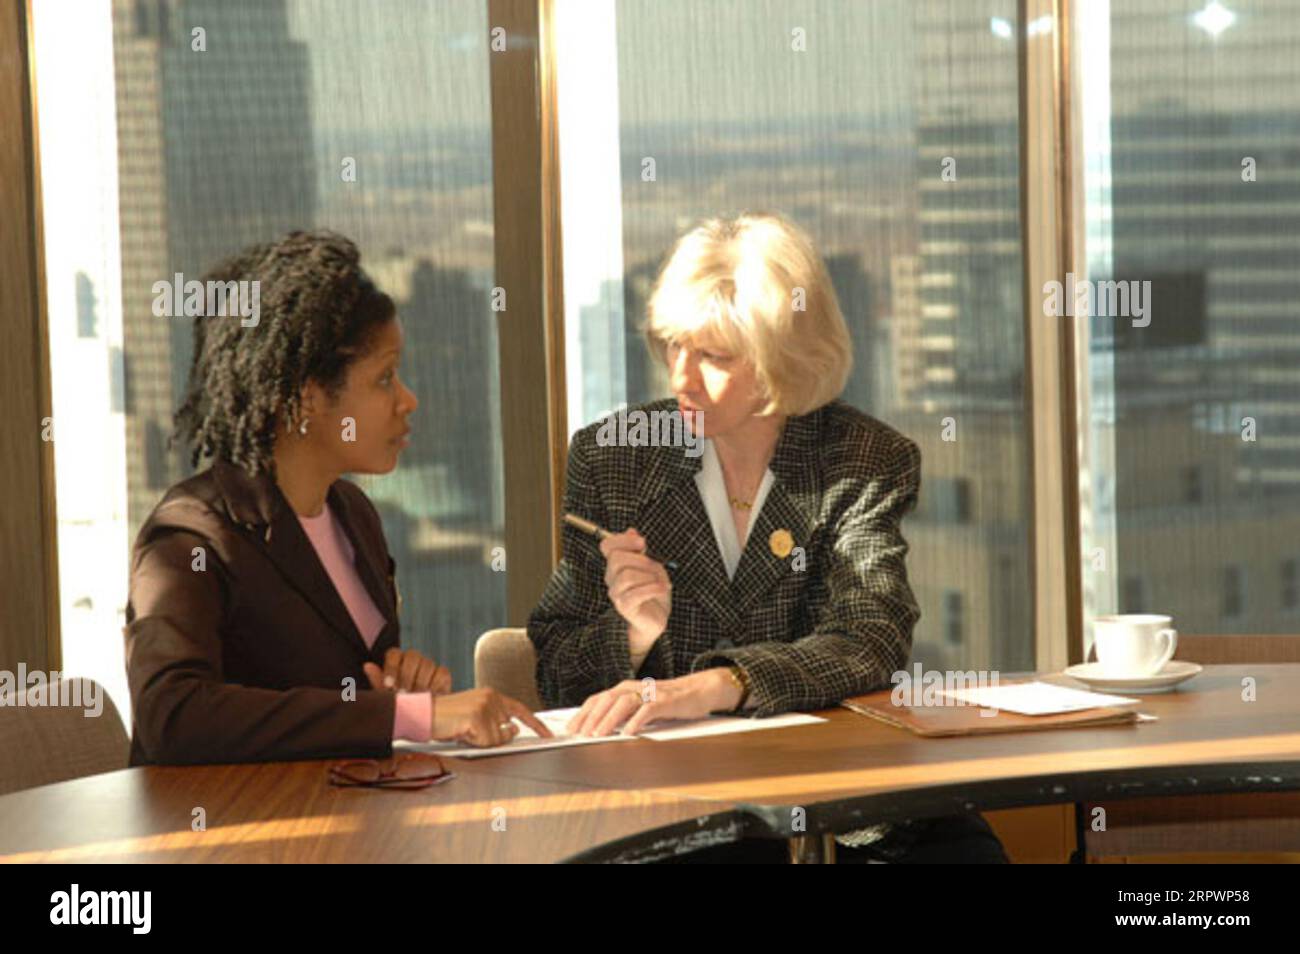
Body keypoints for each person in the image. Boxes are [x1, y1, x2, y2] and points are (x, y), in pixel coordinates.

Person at [528, 213, 1006, 862]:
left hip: (838, 792)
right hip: (673, 806)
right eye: (673, 345)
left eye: (713, 357)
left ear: (784, 358)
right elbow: (557, 671)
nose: (680, 378)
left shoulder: (863, 457)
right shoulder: (613, 456)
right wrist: (635, 635)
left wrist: (718, 684)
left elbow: (871, 637)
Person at [125, 230, 547, 765]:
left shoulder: (353, 514)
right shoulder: (190, 536)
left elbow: (336, 702)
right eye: (384, 379)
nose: (407, 400)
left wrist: (396, 693)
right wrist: (411, 717)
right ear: (306, 397)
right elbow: (173, 714)